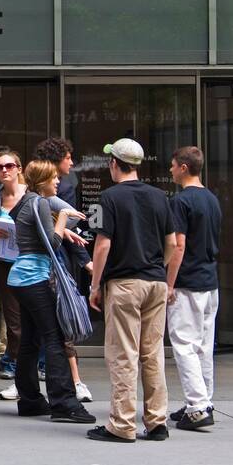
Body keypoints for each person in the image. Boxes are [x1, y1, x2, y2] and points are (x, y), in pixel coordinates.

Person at [87, 138, 180, 443]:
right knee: (152, 354)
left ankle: (122, 424)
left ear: (114, 163)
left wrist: (95, 284)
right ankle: (156, 422)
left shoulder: (106, 198)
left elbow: (102, 245)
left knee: (123, 354)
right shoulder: (160, 197)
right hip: (155, 282)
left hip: (124, 284)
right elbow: (172, 244)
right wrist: (159, 271)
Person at [7, 161, 96, 425]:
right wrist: (64, 222)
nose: (58, 181)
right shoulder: (40, 204)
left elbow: (52, 209)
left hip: (21, 278)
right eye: (53, 177)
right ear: (42, 180)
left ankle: (31, 400)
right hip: (34, 278)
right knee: (54, 338)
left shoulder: (27, 201)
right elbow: (51, 244)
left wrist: (66, 217)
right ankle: (64, 403)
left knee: (30, 340)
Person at [164, 146, 221, 432]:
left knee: (184, 345)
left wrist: (169, 284)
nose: (171, 170)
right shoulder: (212, 199)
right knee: (203, 347)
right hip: (210, 283)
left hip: (188, 283)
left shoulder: (181, 202)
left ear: (184, 167)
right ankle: (203, 402)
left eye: (173, 165)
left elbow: (178, 245)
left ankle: (197, 407)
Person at [34, 137, 95, 400]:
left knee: (47, 323)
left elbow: (66, 223)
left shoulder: (46, 193)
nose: (71, 162)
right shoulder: (57, 190)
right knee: (58, 320)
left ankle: (58, 376)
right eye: (68, 157)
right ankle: (71, 381)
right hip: (54, 260)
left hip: (49, 260)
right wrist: (85, 259)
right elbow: (62, 227)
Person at [0, 149, 26, 401]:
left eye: (9, 166)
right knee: (14, 323)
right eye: (0, 167)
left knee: (34, 320)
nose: (4, 170)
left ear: (19, 168)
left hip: (31, 264)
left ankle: (30, 374)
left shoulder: (32, 197)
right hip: (5, 264)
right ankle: (20, 376)